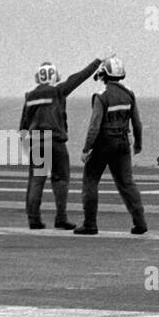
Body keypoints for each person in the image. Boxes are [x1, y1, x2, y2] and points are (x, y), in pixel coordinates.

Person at [19, 55, 104, 229]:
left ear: (38, 77)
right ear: (54, 76)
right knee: (61, 180)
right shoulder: (58, 91)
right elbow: (78, 77)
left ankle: (34, 219)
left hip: (36, 142)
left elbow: (23, 125)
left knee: (36, 180)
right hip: (55, 142)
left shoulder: (30, 96)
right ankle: (61, 218)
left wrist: (26, 146)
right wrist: (97, 62)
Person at [75, 57, 149, 235]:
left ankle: (90, 224)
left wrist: (86, 149)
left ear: (104, 74)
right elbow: (137, 122)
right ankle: (140, 223)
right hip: (123, 144)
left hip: (103, 144)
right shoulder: (129, 93)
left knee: (90, 181)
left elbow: (94, 126)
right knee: (127, 184)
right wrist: (138, 143)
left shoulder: (101, 96)